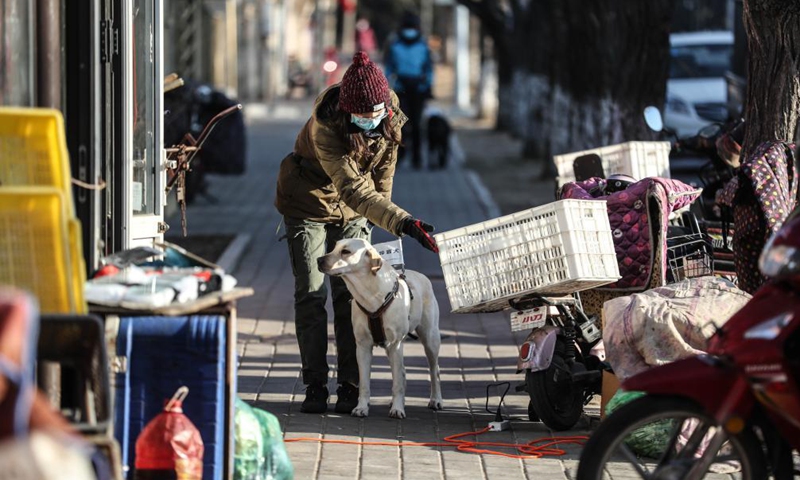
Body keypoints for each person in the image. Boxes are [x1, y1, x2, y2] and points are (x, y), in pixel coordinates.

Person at [274, 51, 440, 414]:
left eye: (376, 113)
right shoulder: (325, 127)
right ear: (348, 113)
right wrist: (404, 221)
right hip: (308, 203)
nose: (371, 120)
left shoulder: (389, 112)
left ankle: (351, 385)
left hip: (354, 210)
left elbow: (382, 183)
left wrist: (394, 225)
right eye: (363, 117)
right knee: (312, 292)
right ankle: (315, 384)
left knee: (353, 297)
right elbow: (352, 188)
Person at [383, 12, 434, 169]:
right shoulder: (395, 46)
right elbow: (389, 68)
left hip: (419, 89)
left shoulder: (423, 47)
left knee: (418, 124)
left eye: (412, 27)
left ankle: (417, 158)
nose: (410, 31)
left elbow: (429, 69)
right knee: (399, 124)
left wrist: (427, 86)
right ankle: (399, 156)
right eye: (408, 27)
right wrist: (386, 87)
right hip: (400, 88)